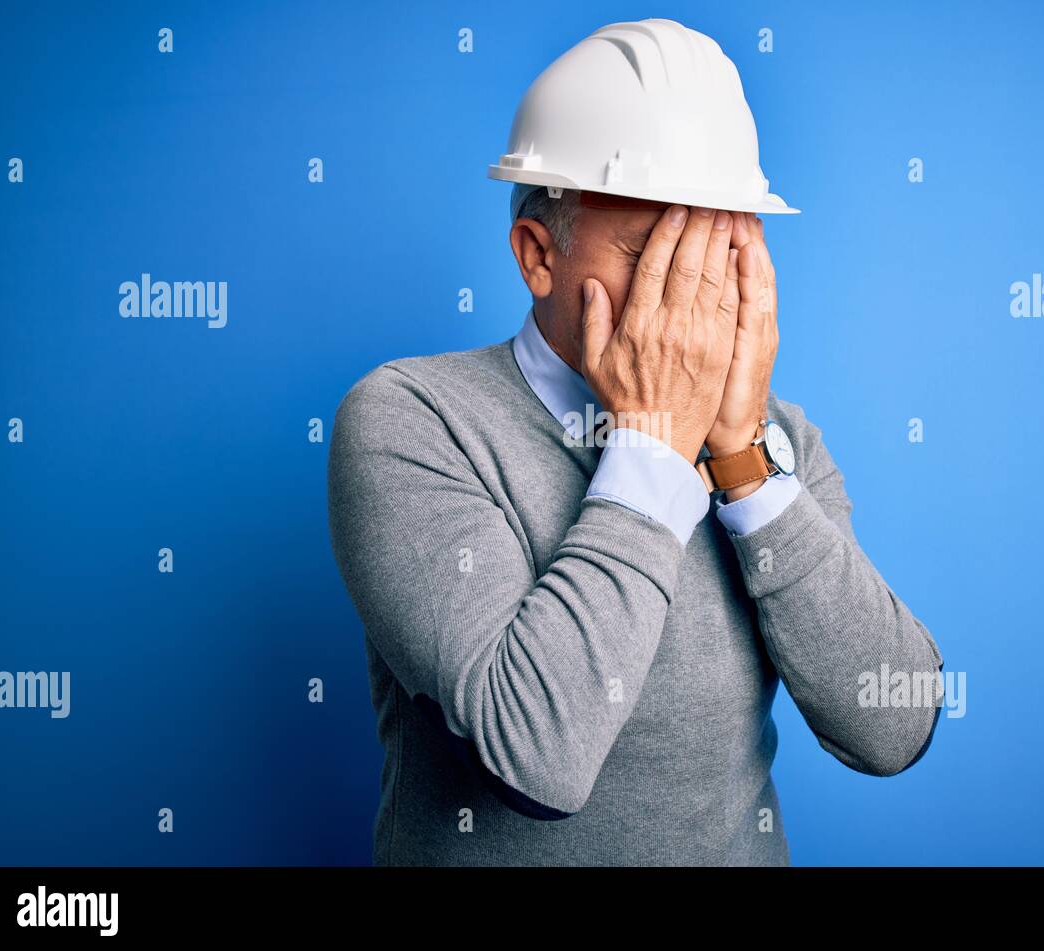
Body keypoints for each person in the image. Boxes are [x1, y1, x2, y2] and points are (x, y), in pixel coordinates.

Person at [327, 18, 943, 866]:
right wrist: (653, 444)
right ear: (538, 257)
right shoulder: (414, 419)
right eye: (656, 252)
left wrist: (742, 465)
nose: (693, 294)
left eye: (716, 249)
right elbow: (538, 759)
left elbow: (893, 729)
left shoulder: (776, 439)